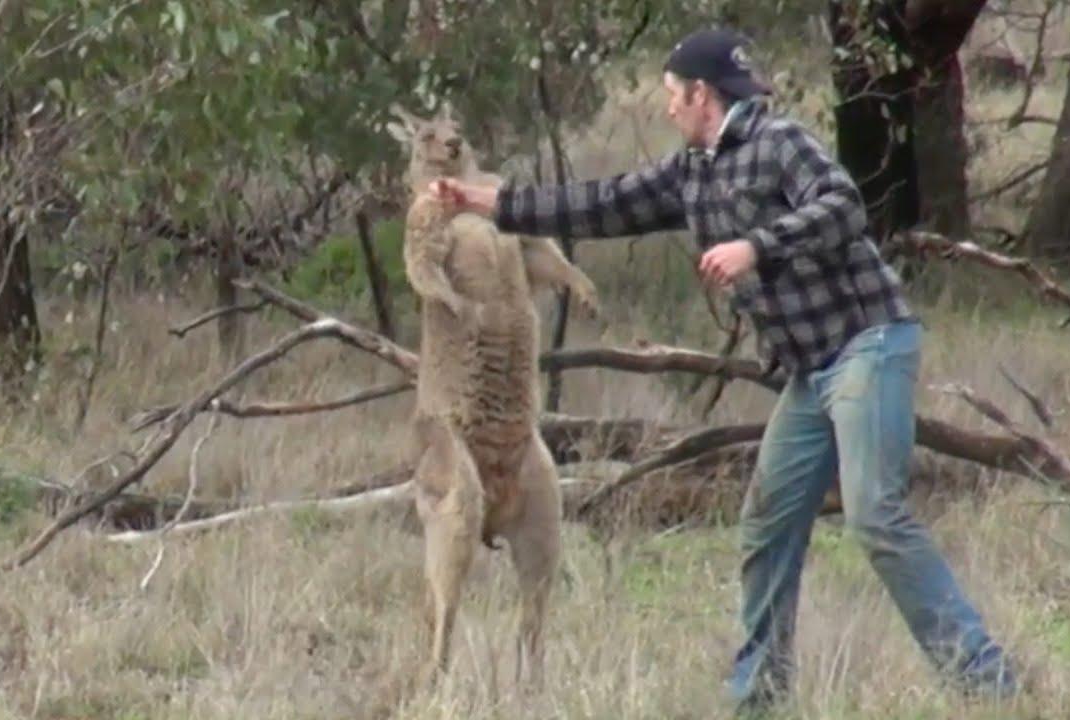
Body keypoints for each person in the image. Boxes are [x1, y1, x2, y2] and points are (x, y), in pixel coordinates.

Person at [428, 26, 1020, 712]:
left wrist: (756, 248)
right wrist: (489, 204)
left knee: (876, 515)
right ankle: (759, 697)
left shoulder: (779, 143)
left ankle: (988, 685)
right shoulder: (692, 170)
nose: (668, 108)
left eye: (674, 95)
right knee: (767, 526)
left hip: (868, 345)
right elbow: (604, 202)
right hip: (811, 372)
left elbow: (843, 208)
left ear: (703, 95)